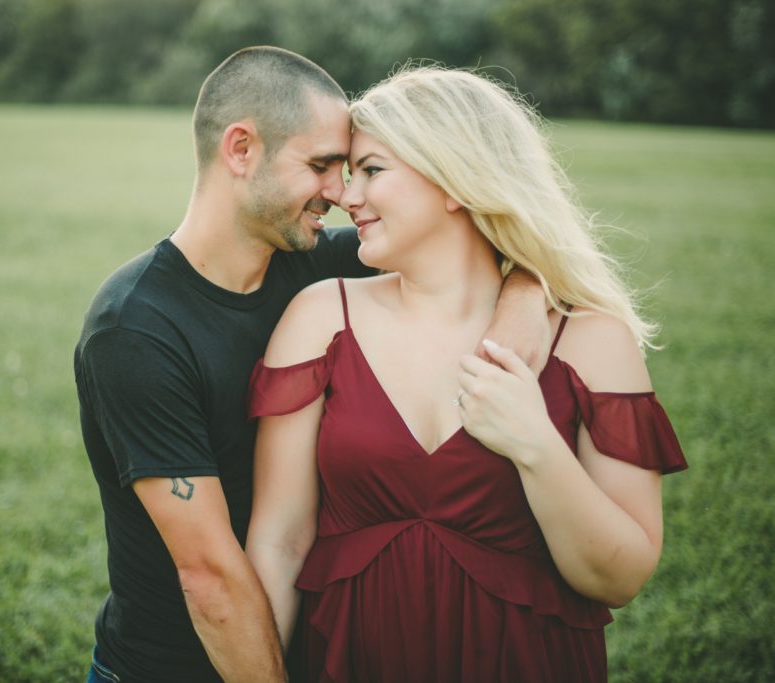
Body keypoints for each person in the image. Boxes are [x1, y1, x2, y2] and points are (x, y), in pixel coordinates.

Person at [74, 49, 550, 683]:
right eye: (322, 165)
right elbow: (209, 578)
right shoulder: (135, 330)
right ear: (241, 150)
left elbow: (487, 239)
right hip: (175, 668)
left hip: (312, 643)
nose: (342, 193)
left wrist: (524, 298)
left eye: (350, 167)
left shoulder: (320, 260)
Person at [245, 66, 688, 682]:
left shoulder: (592, 340)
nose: (347, 197)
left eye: (371, 170)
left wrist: (534, 445)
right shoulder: (321, 317)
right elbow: (279, 541)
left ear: (454, 180)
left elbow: (621, 578)